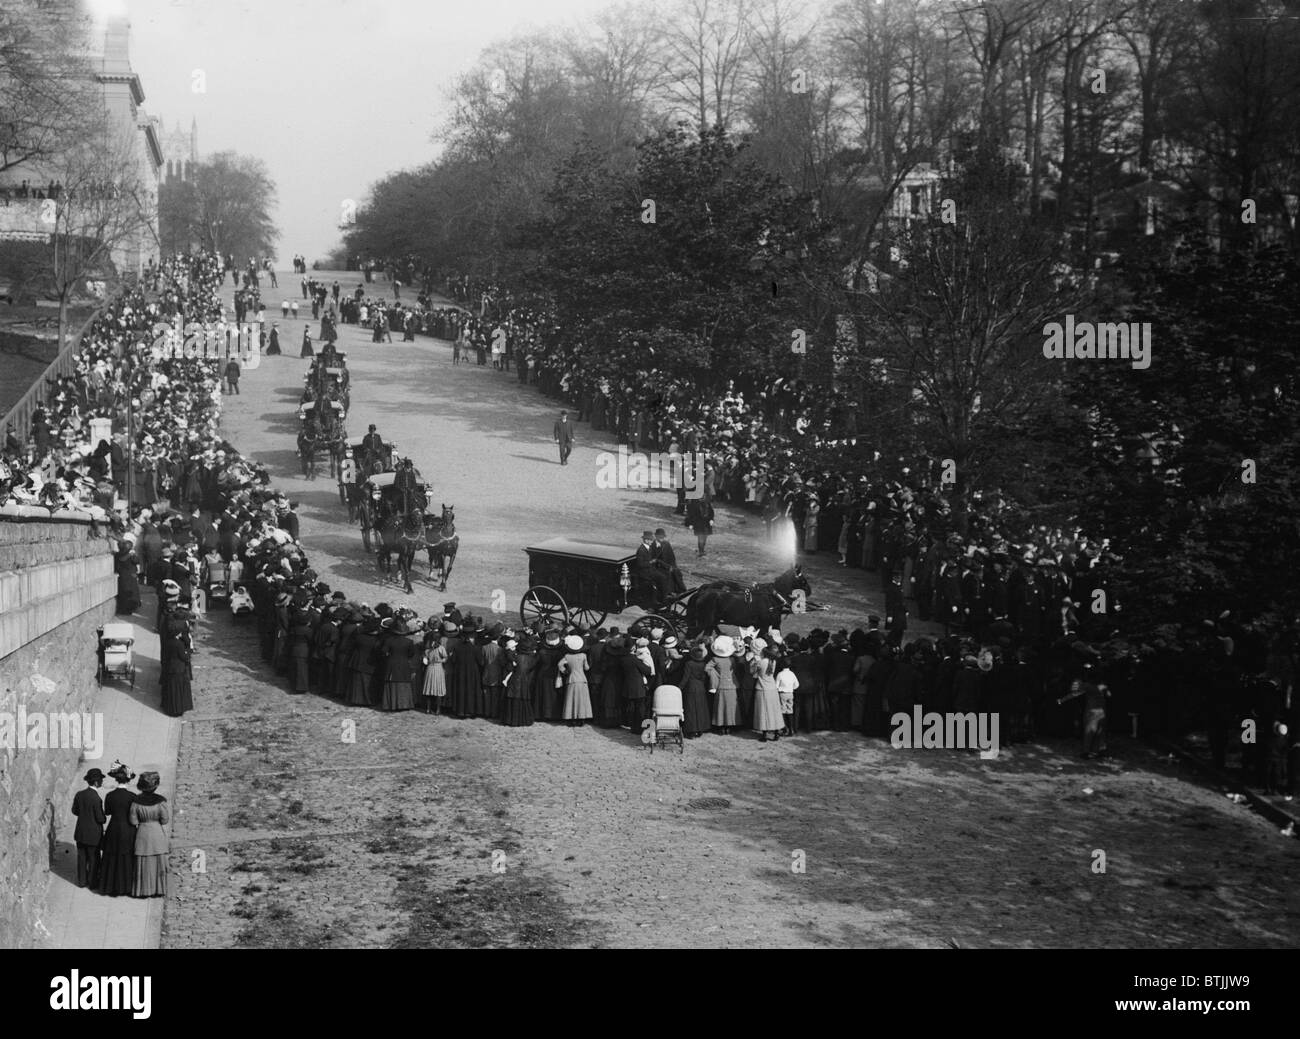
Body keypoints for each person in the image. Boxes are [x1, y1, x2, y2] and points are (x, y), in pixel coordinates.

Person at [98, 761, 137, 897]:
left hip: (113, 828)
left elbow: (107, 812)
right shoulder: (133, 797)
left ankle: (109, 886)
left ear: (116, 779)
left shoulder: (110, 796)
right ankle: (125, 887)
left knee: (111, 857)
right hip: (128, 829)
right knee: (126, 857)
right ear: (128, 780)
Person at [129, 772, 170, 898]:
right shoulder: (160, 801)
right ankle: (159, 888)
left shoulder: (136, 802)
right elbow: (165, 819)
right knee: (159, 860)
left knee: (144, 862)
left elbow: (133, 821)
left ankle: (144, 889)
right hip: (157, 832)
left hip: (143, 832)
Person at [71, 769, 106, 888]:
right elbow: (101, 819)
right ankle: (92, 882)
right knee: (94, 858)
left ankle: (81, 881)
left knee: (81, 857)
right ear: (96, 783)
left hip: (80, 831)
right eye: (101, 780)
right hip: (93, 834)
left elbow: (74, 811)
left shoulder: (79, 794)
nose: (102, 782)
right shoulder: (96, 799)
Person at [707, 635, 739, 735]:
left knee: (720, 706)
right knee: (731, 707)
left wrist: (715, 675)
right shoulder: (732, 660)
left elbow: (707, 669)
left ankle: (721, 726)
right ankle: (730, 726)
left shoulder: (715, 659)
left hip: (720, 685)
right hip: (732, 685)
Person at [559, 634, 592, 726]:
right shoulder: (583, 655)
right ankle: (581, 719)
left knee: (571, 699)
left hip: (571, 679)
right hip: (582, 679)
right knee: (581, 700)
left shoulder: (567, 656)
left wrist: (565, 671)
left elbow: (559, 664)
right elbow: (587, 668)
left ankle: (571, 718)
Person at [635, 530, 671, 607]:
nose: (652, 541)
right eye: (651, 540)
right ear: (646, 540)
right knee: (662, 578)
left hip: (650, 570)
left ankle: (663, 595)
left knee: (665, 575)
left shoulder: (649, 548)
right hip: (644, 573)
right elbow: (640, 564)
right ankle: (663, 599)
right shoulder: (641, 550)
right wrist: (651, 562)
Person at [652, 528, 686, 594]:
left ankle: (681, 590)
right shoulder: (652, 545)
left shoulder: (666, 544)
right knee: (666, 574)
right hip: (657, 567)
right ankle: (668, 593)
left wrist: (673, 566)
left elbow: (672, 558)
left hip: (668, 565)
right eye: (660, 537)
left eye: (663, 537)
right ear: (656, 536)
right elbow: (653, 560)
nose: (662, 538)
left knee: (677, 571)